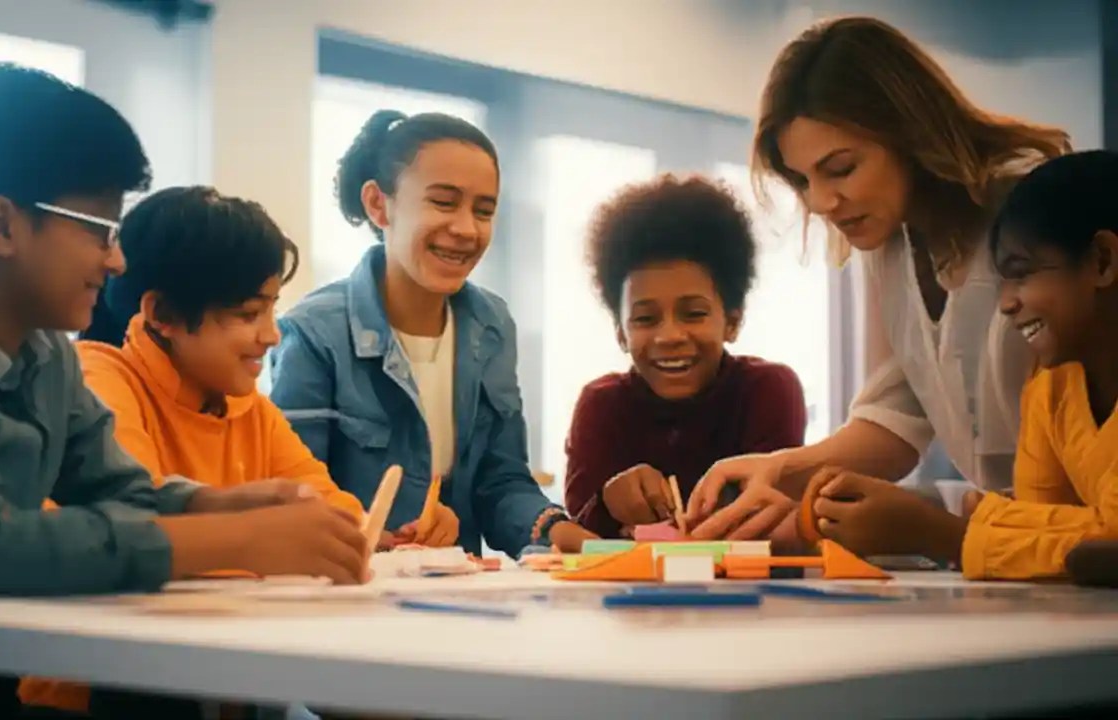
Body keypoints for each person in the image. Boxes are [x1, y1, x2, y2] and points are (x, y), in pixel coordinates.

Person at [0, 64, 366, 716]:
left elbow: (127, 491)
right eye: (98, 231)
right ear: (1, 226)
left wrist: (234, 506)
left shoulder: (41, 352)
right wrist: (242, 540)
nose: (114, 260)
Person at [685, 16, 1071, 540]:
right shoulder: (890, 241)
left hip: (1078, 532)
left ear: (909, 133)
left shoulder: (1032, 207)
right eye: (802, 180)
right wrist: (781, 470)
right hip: (1019, 538)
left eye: (840, 169)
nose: (821, 202)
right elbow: (897, 417)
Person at [20, 186, 365, 714]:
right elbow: (128, 532)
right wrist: (261, 545)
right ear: (160, 313)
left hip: (229, 671)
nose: (270, 336)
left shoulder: (247, 406)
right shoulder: (99, 377)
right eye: (248, 313)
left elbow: (337, 518)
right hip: (101, 692)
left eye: (271, 310)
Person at [270, 110, 596, 555]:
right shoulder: (313, 332)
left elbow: (501, 481)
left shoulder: (492, 324)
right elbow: (293, 495)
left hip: (456, 599)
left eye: (484, 210)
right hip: (352, 596)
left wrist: (566, 536)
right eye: (444, 202)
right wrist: (375, 536)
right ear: (378, 204)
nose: (466, 229)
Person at [802, 151, 1118, 580]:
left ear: (1101, 260)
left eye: (1022, 273)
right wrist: (974, 518)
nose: (1005, 304)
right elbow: (1051, 528)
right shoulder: (1050, 389)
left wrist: (943, 532)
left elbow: (1105, 545)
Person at [564, 175, 806, 538]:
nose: (670, 336)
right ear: (620, 332)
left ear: (733, 322)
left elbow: (772, 516)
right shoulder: (601, 404)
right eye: (645, 319)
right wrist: (606, 501)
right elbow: (580, 537)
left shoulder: (768, 389)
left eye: (693, 313)